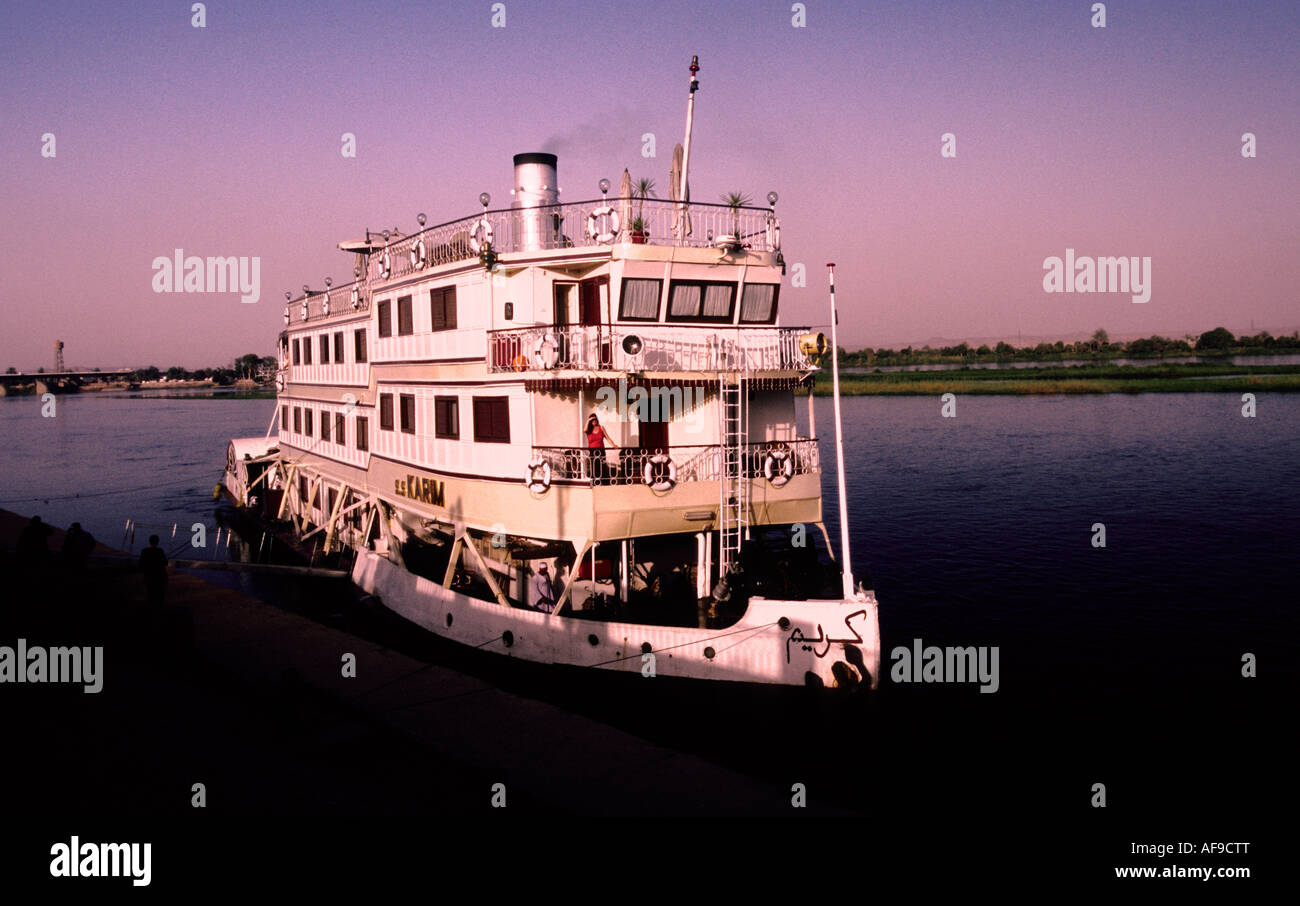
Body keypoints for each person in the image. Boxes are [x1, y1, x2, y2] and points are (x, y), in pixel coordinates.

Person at [585, 414, 618, 486]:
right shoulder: (588, 430)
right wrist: (589, 420)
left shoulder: (601, 428)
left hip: (601, 451)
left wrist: (613, 445)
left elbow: (607, 438)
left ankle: (605, 483)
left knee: (602, 466)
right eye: (592, 420)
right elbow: (584, 429)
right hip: (592, 452)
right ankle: (595, 483)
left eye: (595, 419)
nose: (594, 421)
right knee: (594, 467)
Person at [139, 534, 168, 608]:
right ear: (157, 542)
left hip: (148, 577)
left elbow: (141, 564)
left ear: (149, 541)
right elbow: (165, 562)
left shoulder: (144, 551)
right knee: (159, 597)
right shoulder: (160, 551)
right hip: (159, 578)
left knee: (150, 594)